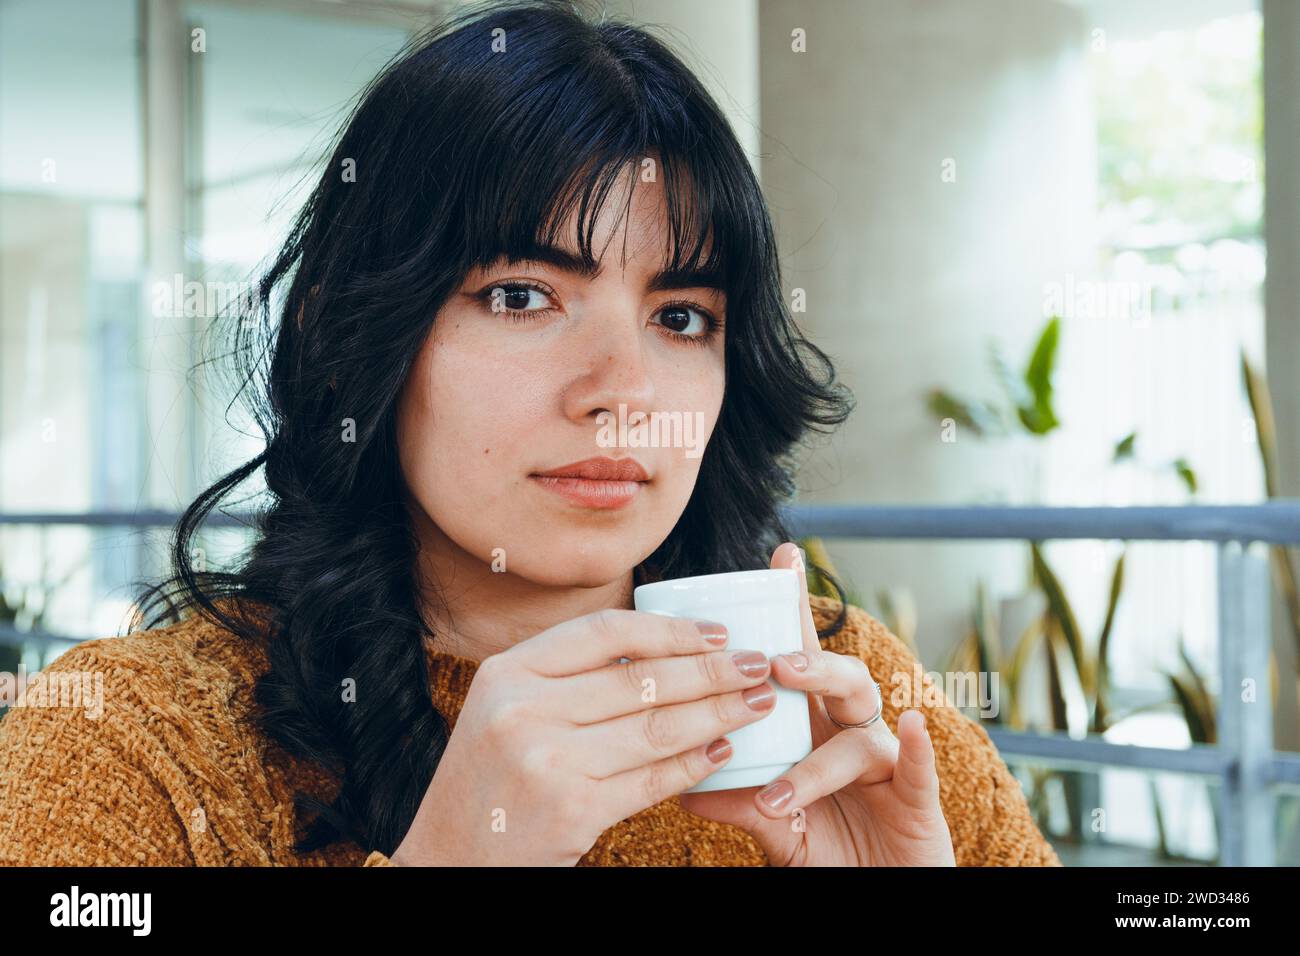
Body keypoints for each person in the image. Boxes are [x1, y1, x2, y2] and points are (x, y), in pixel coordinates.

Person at [0, 0, 1059, 867]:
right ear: (348, 337)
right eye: (519, 296)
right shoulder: (128, 750)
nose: (623, 391)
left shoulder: (828, 698)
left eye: (680, 315)